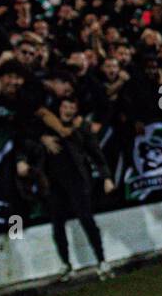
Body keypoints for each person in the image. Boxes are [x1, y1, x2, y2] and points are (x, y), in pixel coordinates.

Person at [44, 95, 114, 279]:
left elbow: (96, 153)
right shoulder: (47, 128)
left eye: (71, 107)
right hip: (55, 182)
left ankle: (102, 261)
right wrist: (43, 140)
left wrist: (106, 177)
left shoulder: (82, 128)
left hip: (77, 180)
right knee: (58, 224)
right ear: (59, 108)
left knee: (86, 219)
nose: (67, 110)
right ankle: (66, 264)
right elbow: (26, 136)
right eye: (65, 106)